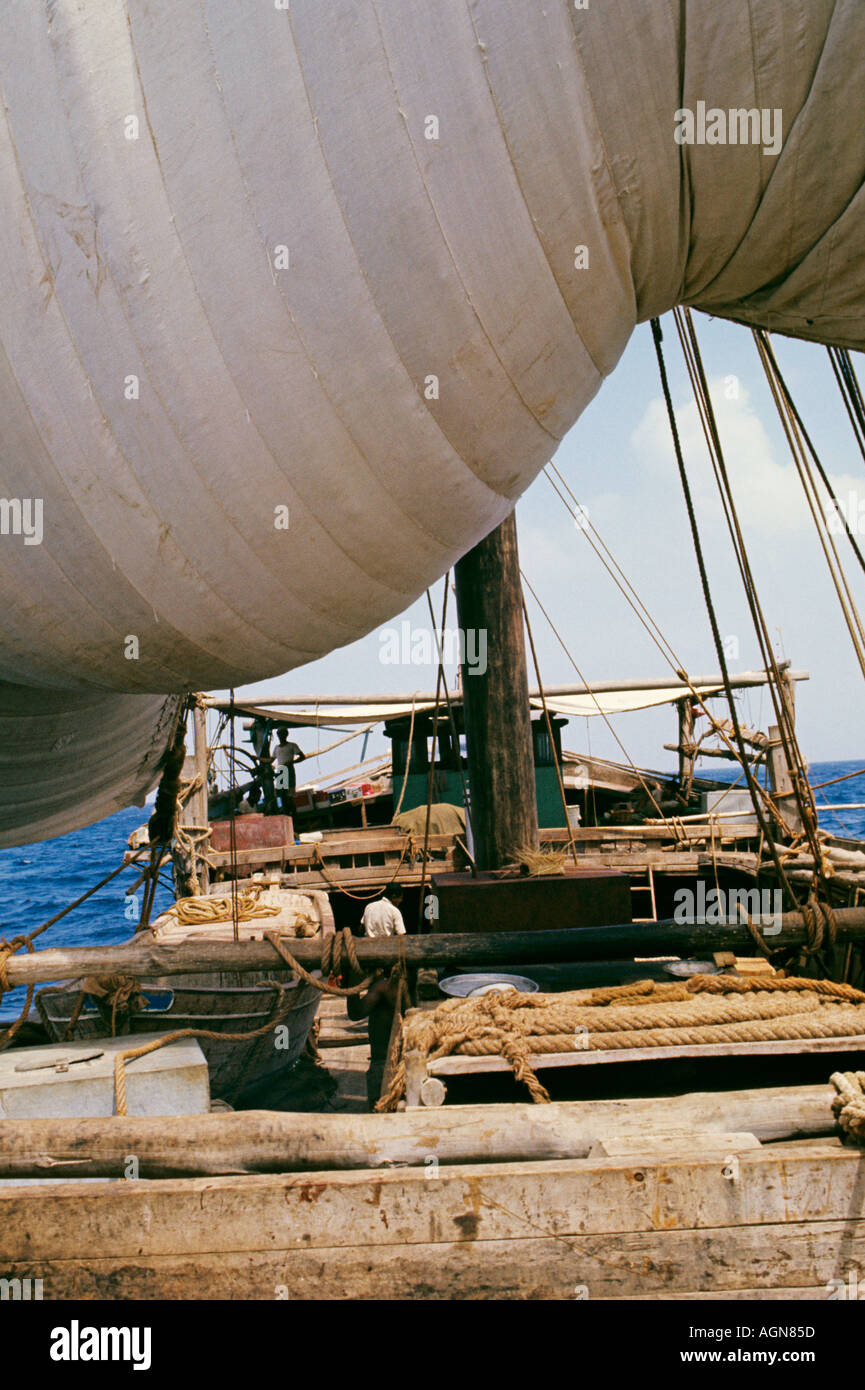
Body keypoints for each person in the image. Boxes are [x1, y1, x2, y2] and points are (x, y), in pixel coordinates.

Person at [347, 967, 403, 1108]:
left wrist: (352, 981)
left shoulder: (382, 988)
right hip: (401, 1062)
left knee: (378, 1110)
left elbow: (355, 1013)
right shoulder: (402, 986)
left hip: (381, 1065)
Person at [274, 725, 305, 817]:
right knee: (282, 796)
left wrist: (291, 762)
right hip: (280, 771)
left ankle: (293, 817)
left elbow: (302, 757)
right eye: (280, 734)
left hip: (289, 770)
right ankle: (287, 816)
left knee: (289, 796)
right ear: (278, 735)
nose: (281, 736)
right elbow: (270, 759)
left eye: (283, 734)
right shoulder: (276, 748)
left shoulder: (292, 745)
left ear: (286, 735)